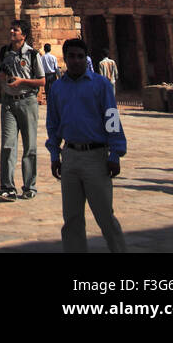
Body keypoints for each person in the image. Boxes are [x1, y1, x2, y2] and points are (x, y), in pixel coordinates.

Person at [46, 36, 128, 253]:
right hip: (70, 155)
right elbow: (53, 124)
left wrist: (115, 154)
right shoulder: (57, 88)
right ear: (65, 59)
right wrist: (55, 155)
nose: (76, 61)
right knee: (72, 219)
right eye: (71, 57)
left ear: (86, 58)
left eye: (80, 57)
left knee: (104, 216)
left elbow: (112, 119)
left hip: (95, 156)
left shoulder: (100, 85)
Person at [0, 19, 45, 201]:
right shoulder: (4, 52)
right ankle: (7, 187)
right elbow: (0, 74)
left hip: (27, 101)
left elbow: (42, 81)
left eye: (15, 30)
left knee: (29, 145)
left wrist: (21, 81)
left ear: (24, 35)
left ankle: (29, 186)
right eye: (11, 29)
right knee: (7, 145)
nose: (11, 32)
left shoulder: (32, 55)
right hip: (8, 102)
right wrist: (4, 77)